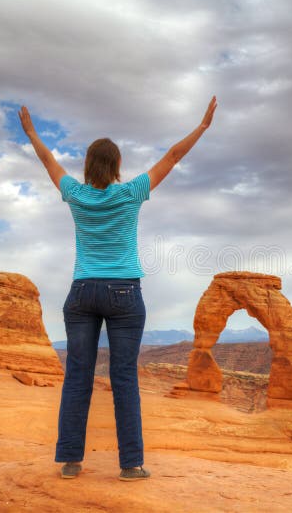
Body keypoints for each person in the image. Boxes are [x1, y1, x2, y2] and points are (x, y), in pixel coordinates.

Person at [18, 96, 217, 481]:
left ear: (88, 166)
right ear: (118, 166)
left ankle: (71, 462)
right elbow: (173, 156)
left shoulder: (75, 194)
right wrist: (203, 126)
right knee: (124, 377)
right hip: (124, 292)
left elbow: (47, 162)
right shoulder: (131, 193)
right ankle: (131, 465)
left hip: (82, 292)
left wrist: (31, 132)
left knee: (78, 374)